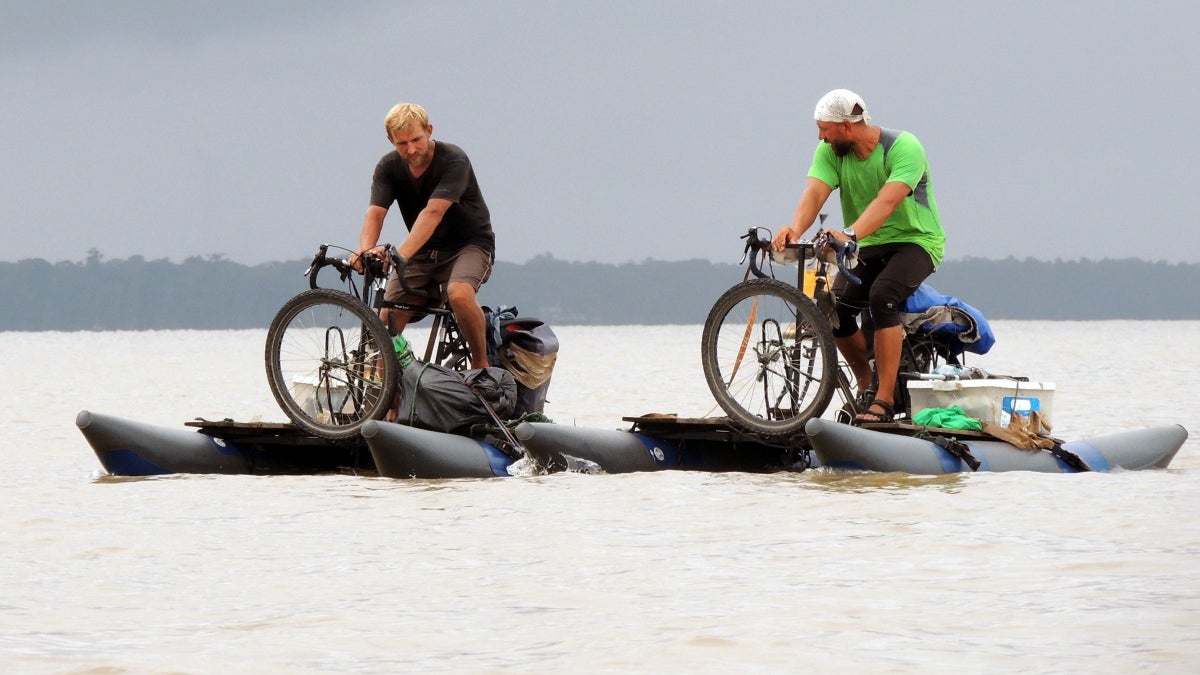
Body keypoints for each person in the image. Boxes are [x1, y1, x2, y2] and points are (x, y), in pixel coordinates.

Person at [773, 89, 946, 424]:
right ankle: (866, 385)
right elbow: (815, 193)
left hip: (916, 241)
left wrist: (849, 233)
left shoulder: (903, 147)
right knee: (834, 310)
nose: (820, 136)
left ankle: (884, 399)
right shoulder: (830, 152)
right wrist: (794, 229)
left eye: (825, 128)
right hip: (867, 244)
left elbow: (886, 202)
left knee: (883, 296)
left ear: (847, 127)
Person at [351, 102, 496, 368]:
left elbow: (433, 212)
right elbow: (375, 213)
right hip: (423, 252)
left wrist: (400, 255)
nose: (411, 149)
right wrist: (365, 250)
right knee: (385, 321)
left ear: (429, 130)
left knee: (460, 294)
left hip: (469, 245)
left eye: (416, 139)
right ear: (391, 140)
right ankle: (385, 402)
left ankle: (481, 366)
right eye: (402, 143)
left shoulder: (454, 159)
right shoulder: (388, 166)